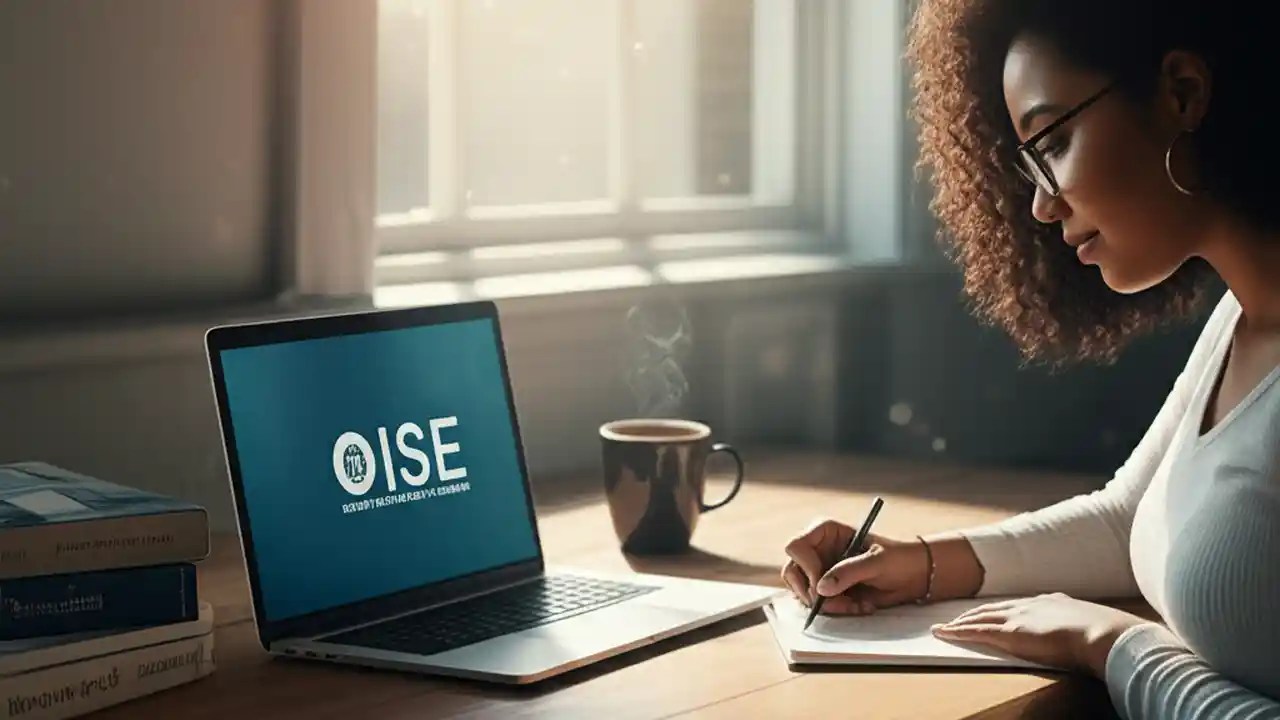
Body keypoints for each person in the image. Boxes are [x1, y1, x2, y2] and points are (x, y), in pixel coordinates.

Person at [780, 1, 1280, 718]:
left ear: (1182, 94)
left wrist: (1112, 647)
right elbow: (1131, 516)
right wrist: (919, 563)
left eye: (1053, 139)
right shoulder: (1242, 316)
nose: (1042, 206)